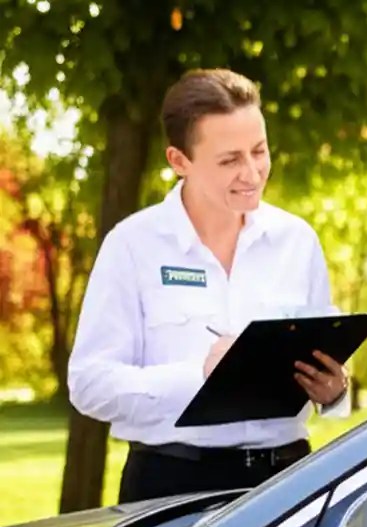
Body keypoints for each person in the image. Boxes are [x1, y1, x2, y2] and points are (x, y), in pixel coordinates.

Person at [68, 68, 350, 504]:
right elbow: (89, 385)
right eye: (230, 160)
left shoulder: (298, 241)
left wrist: (333, 392)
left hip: (286, 485)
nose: (253, 173)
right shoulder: (132, 246)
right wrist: (198, 376)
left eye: (259, 151)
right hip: (169, 486)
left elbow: (323, 371)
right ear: (179, 161)